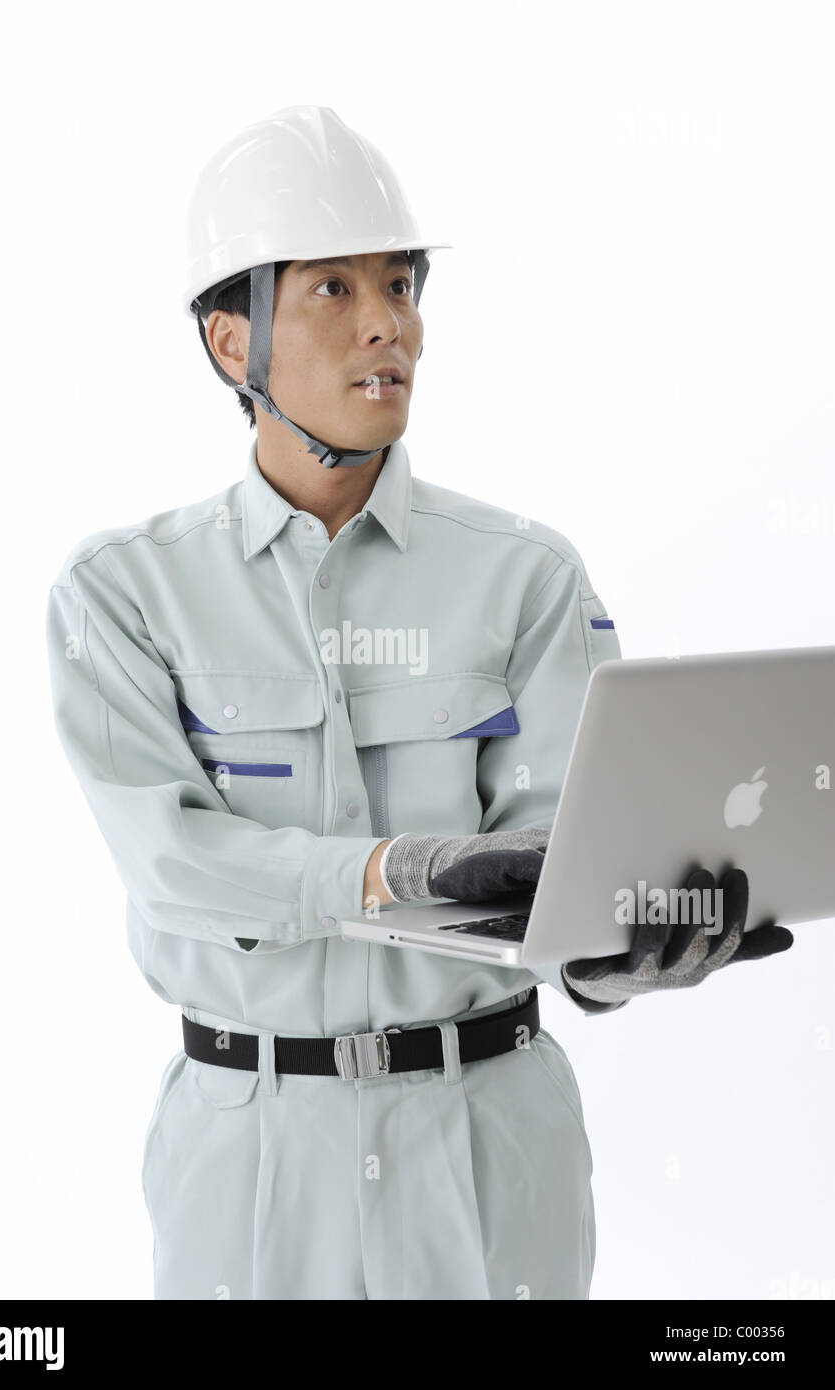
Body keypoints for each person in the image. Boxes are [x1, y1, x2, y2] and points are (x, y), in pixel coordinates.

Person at [46, 105, 792, 1301]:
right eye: (332, 288)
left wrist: (626, 953)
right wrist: (393, 869)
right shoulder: (125, 595)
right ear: (230, 341)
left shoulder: (526, 577)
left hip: (489, 1144)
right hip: (247, 1161)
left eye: (399, 283)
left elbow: (567, 868)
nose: (387, 322)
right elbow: (173, 865)